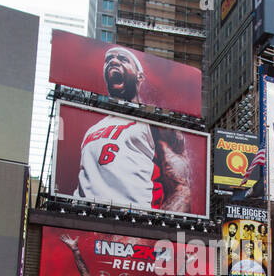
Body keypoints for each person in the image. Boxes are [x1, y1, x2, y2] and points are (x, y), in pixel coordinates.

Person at [73, 47, 194, 213]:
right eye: (108, 60)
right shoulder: (92, 129)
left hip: (135, 219)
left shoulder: (156, 122)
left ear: (140, 76)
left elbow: (181, 189)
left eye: (122, 59)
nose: (113, 62)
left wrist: (153, 228)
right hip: (87, 219)